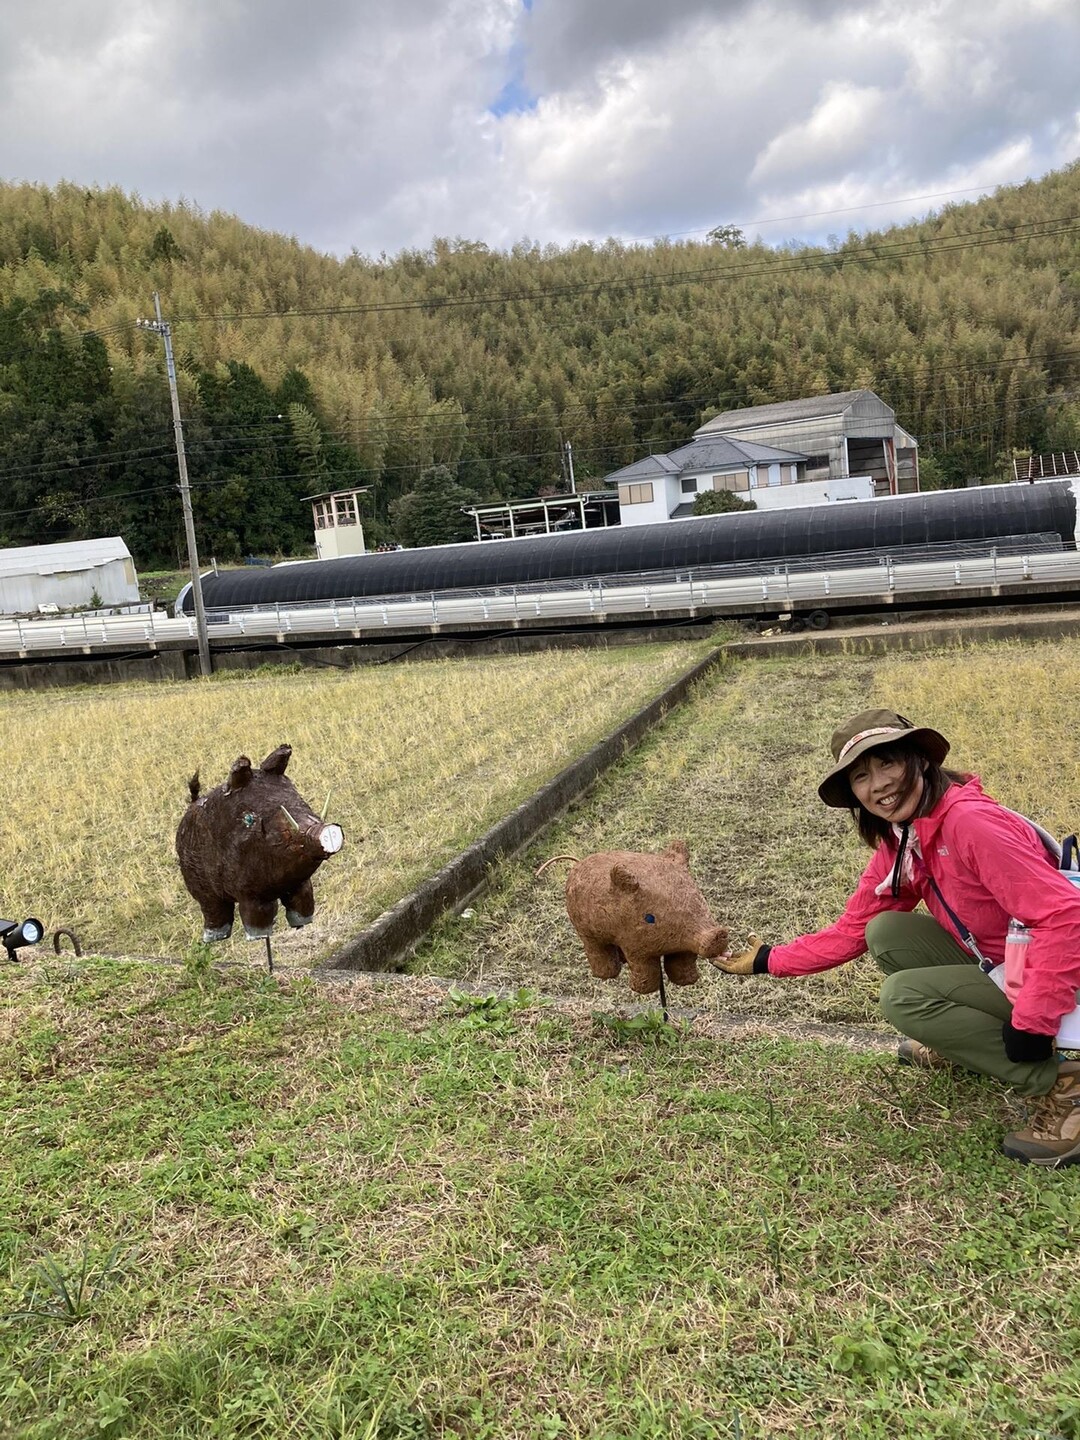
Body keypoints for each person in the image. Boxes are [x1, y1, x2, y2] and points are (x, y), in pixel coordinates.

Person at [715, 708, 1080, 1167]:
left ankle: (1065, 1086)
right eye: (862, 776)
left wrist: (1032, 1024)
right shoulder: (906, 837)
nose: (879, 785)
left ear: (920, 760)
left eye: (888, 763)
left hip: (1061, 970)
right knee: (886, 931)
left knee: (903, 998)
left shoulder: (969, 823)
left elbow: (1064, 918)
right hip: (1004, 959)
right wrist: (769, 960)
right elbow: (855, 926)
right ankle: (964, 1045)